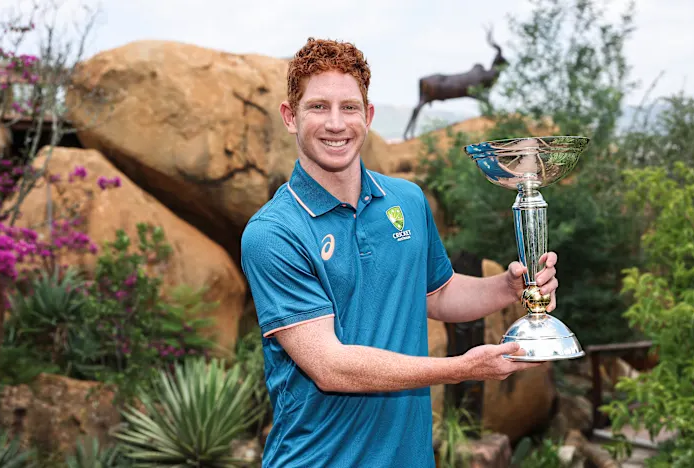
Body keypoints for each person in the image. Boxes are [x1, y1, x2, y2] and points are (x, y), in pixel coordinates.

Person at [240, 37, 560, 468]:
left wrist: (511, 288)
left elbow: (438, 294)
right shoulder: (273, 232)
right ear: (290, 117)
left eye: (349, 107)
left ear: (368, 116)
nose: (336, 123)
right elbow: (331, 367)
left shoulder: (407, 200)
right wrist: (461, 368)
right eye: (318, 107)